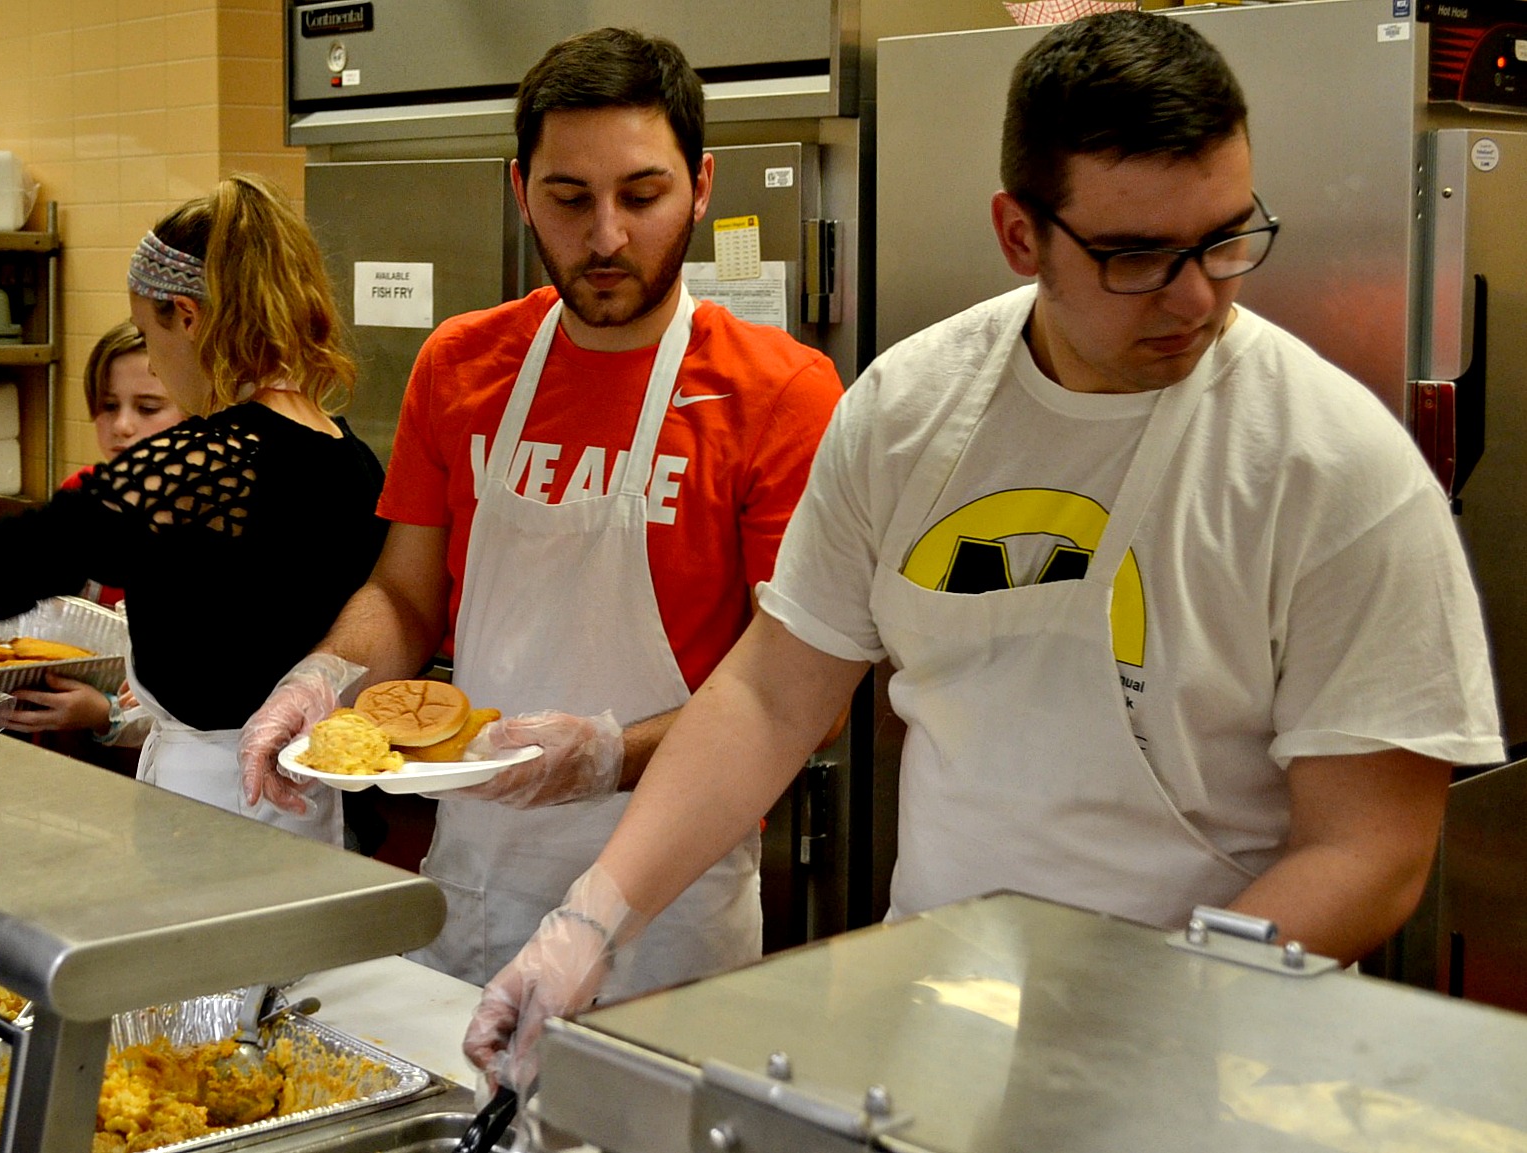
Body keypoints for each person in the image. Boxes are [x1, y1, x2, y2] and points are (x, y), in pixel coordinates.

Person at [462, 10, 1505, 1090]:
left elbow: (1369, 849)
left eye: (1230, 236)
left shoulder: (1335, 468)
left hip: (1211, 1051)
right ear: (1019, 235)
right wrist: (592, 917)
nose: (1199, 295)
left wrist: (1131, 1022)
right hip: (939, 1025)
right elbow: (772, 696)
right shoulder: (910, 413)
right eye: (1138, 256)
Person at [239, 29, 845, 996]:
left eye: (641, 196)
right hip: (473, 883)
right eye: (569, 199)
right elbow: (405, 595)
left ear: (702, 185)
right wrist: (322, 680)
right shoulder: (463, 363)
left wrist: (609, 755)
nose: (605, 237)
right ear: (523, 192)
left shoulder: (781, 392)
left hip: (668, 913)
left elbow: (796, 699)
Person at [0, 174, 388, 844]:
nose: (158, 366)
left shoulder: (202, 462)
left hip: (222, 800)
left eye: (149, 329)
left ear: (187, 317)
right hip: (308, 795)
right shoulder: (346, 451)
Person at [0, 321, 189, 744]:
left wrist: (107, 714)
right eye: (107, 405)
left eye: (148, 407)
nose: (122, 425)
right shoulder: (81, 497)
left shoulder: (204, 525)